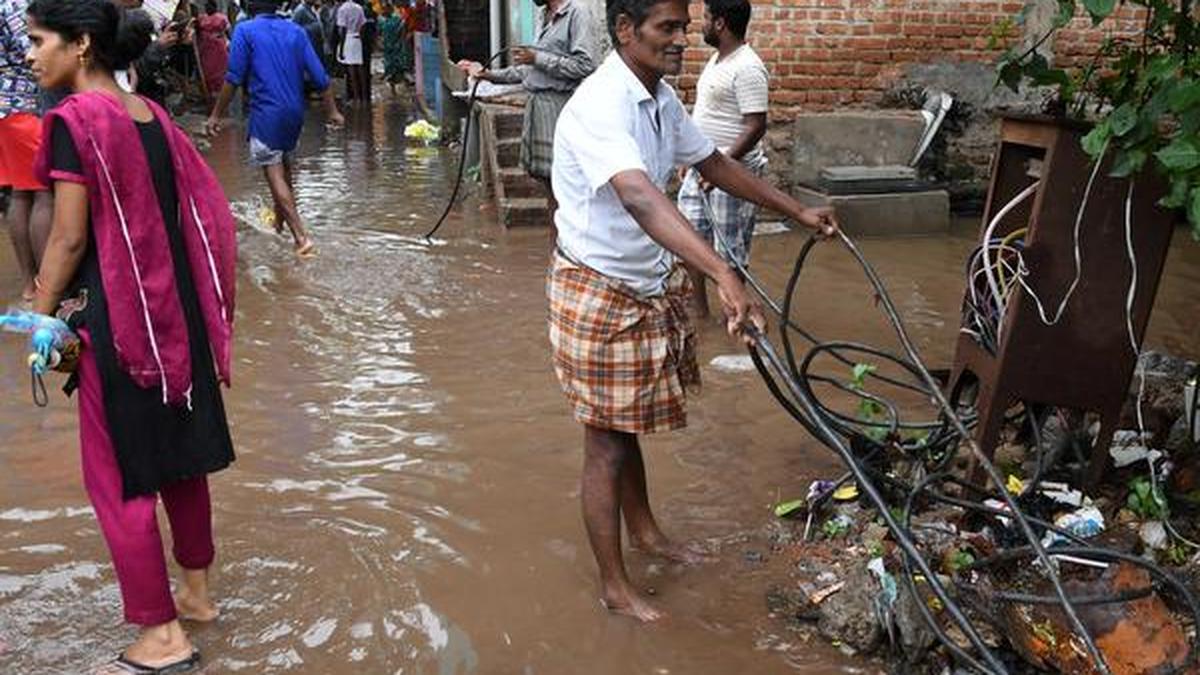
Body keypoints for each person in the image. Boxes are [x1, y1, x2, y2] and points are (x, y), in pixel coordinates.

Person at [548, 0, 839, 622]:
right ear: (626, 31)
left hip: (641, 284)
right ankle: (613, 586)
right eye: (667, 28)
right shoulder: (602, 103)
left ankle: (647, 534)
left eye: (685, 27)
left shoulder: (660, 98)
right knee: (604, 444)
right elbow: (639, 198)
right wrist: (722, 272)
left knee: (623, 431)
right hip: (597, 289)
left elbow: (714, 164)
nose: (683, 39)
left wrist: (796, 210)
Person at [25, 1, 239, 671]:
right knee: (180, 459)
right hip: (175, 317)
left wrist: (41, 309)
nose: (31, 55)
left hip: (121, 325)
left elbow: (68, 235)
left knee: (117, 478)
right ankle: (197, 595)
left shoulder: (71, 122)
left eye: (39, 41)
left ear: (81, 44)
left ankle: (160, 636)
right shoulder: (153, 116)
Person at [205, 0, 343, 257]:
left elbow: (233, 78)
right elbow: (320, 77)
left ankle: (301, 237)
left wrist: (215, 115)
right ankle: (279, 223)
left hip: (266, 113)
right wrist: (332, 111)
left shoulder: (245, 31)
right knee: (285, 165)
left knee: (274, 173)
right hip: (295, 113)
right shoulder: (296, 31)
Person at [458, 0, 595, 221]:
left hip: (558, 107)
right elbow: (527, 71)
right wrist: (488, 75)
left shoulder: (576, 13)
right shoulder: (544, 16)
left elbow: (585, 65)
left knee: (561, 183)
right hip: (537, 107)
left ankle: (567, 242)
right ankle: (556, 244)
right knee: (546, 182)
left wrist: (537, 58)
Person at [677, 0, 768, 318]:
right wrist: (692, 157)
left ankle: (736, 319)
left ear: (720, 23)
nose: (699, 25)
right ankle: (699, 316)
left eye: (705, 18)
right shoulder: (718, 59)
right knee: (688, 242)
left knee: (729, 252)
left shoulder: (748, 67)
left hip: (732, 172)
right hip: (702, 168)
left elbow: (756, 125)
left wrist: (721, 164)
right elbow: (708, 116)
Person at [1, 0, 51, 302]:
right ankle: (48, 280)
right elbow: (33, 55)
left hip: (6, 109)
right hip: (24, 106)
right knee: (44, 192)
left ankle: (30, 282)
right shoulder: (17, 5)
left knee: (20, 192)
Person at [195, 1, 230, 101]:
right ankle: (208, 94)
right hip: (205, 48)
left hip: (218, 48)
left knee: (219, 70)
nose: (207, 8)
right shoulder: (201, 18)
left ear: (214, 7)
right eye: (206, 7)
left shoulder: (222, 18)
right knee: (207, 70)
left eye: (209, 6)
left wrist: (230, 44)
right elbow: (197, 31)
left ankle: (220, 95)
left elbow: (227, 32)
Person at [334, 0, 366, 103]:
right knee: (360, 69)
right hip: (357, 39)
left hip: (348, 39)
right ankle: (364, 97)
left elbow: (342, 30)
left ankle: (356, 98)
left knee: (351, 71)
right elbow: (363, 25)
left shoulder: (342, 9)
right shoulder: (359, 7)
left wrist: (342, 48)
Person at [378, 1, 403, 95]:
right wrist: (379, 43)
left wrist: (400, 42)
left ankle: (395, 86)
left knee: (396, 66)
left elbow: (402, 30)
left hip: (395, 47)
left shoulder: (397, 19)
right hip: (387, 48)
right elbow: (379, 33)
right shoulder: (382, 21)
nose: (383, 11)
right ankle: (393, 88)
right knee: (389, 66)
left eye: (385, 9)